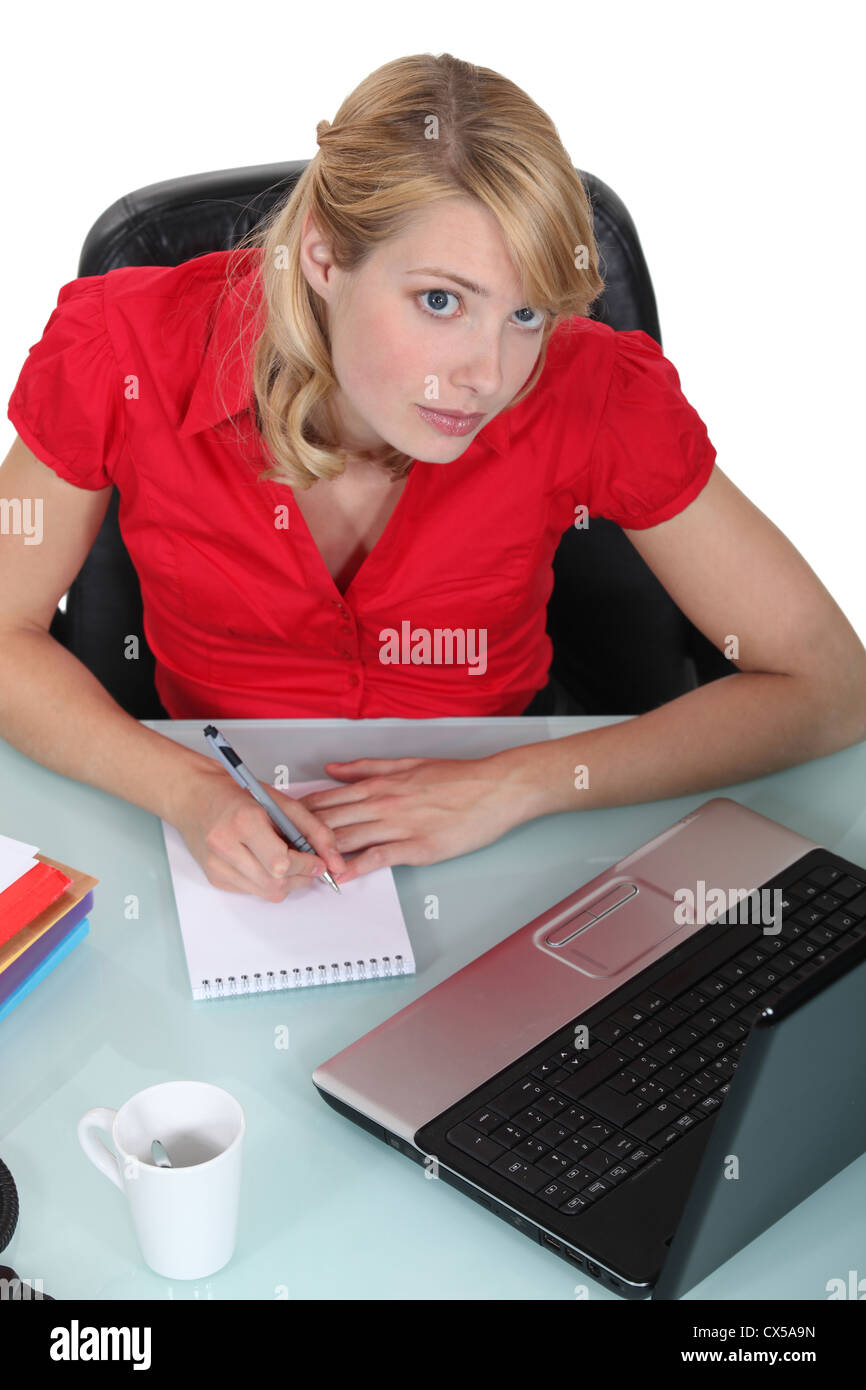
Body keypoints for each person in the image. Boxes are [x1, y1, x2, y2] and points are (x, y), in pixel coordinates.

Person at [2, 53, 865, 906]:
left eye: (524, 314)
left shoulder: (589, 386)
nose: (488, 374)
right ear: (326, 256)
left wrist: (517, 785)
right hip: (213, 834)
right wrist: (182, 788)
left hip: (501, 843)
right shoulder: (124, 350)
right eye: (442, 301)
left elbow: (828, 685)